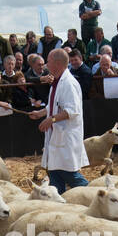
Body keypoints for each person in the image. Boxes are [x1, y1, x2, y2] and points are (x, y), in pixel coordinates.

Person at [29, 49, 87, 193]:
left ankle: (92, 194)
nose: (46, 65)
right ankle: (59, 202)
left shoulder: (69, 83)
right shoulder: (57, 82)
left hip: (65, 136)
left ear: (57, 63)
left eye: (48, 61)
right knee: (54, 171)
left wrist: (51, 119)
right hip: (56, 137)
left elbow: (72, 110)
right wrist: (41, 113)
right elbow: (53, 105)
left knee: (68, 173)